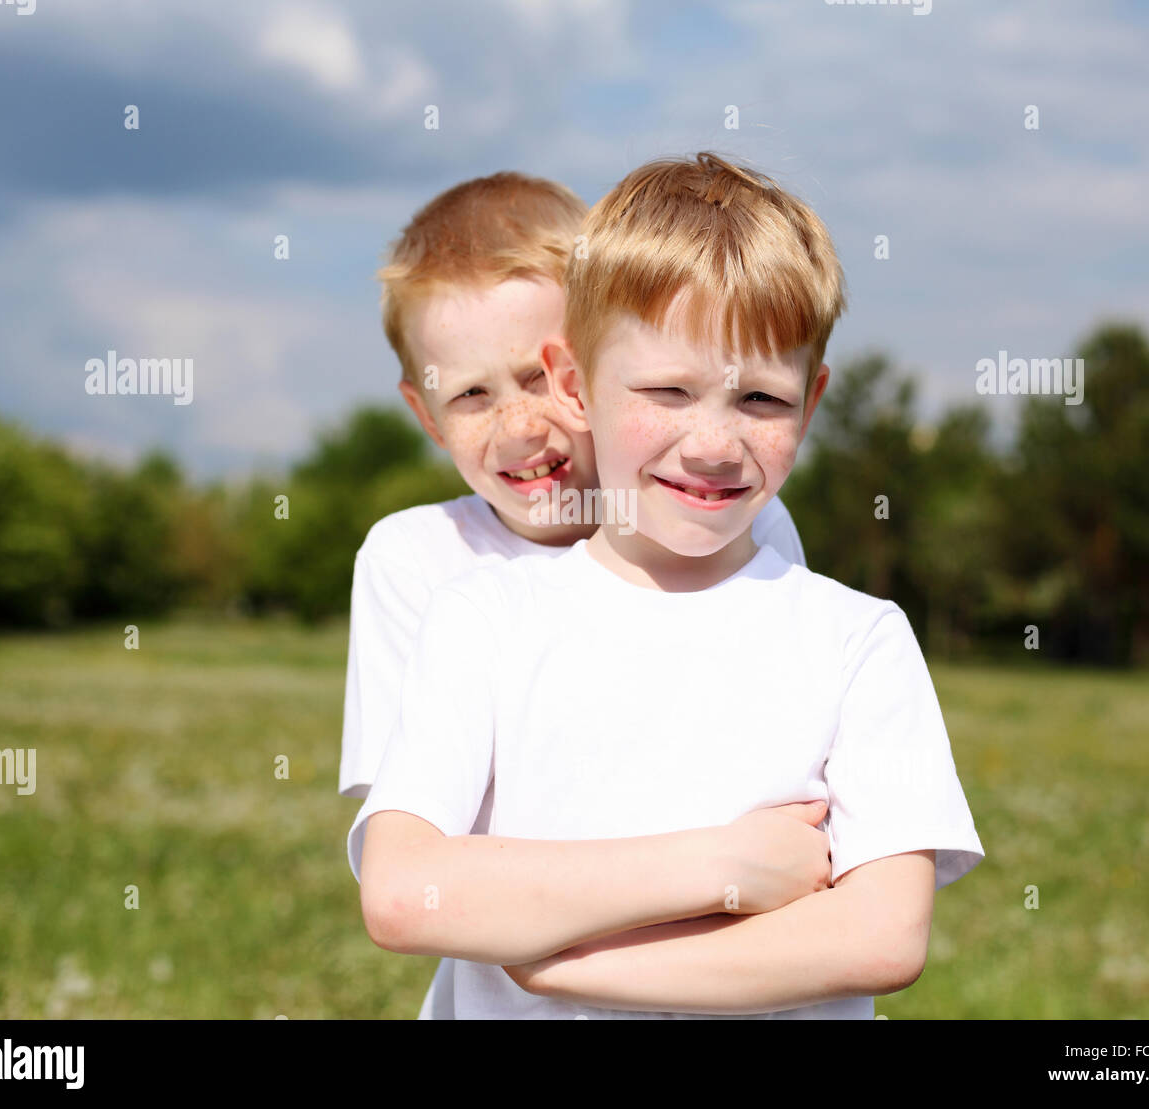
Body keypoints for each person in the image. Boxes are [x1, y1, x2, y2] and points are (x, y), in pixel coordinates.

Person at [357, 152, 984, 1018]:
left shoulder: (859, 637)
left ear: (813, 400)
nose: (716, 444)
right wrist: (727, 867)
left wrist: (569, 965)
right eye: (668, 390)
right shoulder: (480, 614)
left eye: (762, 398)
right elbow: (404, 891)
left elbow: (880, 936)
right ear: (577, 385)